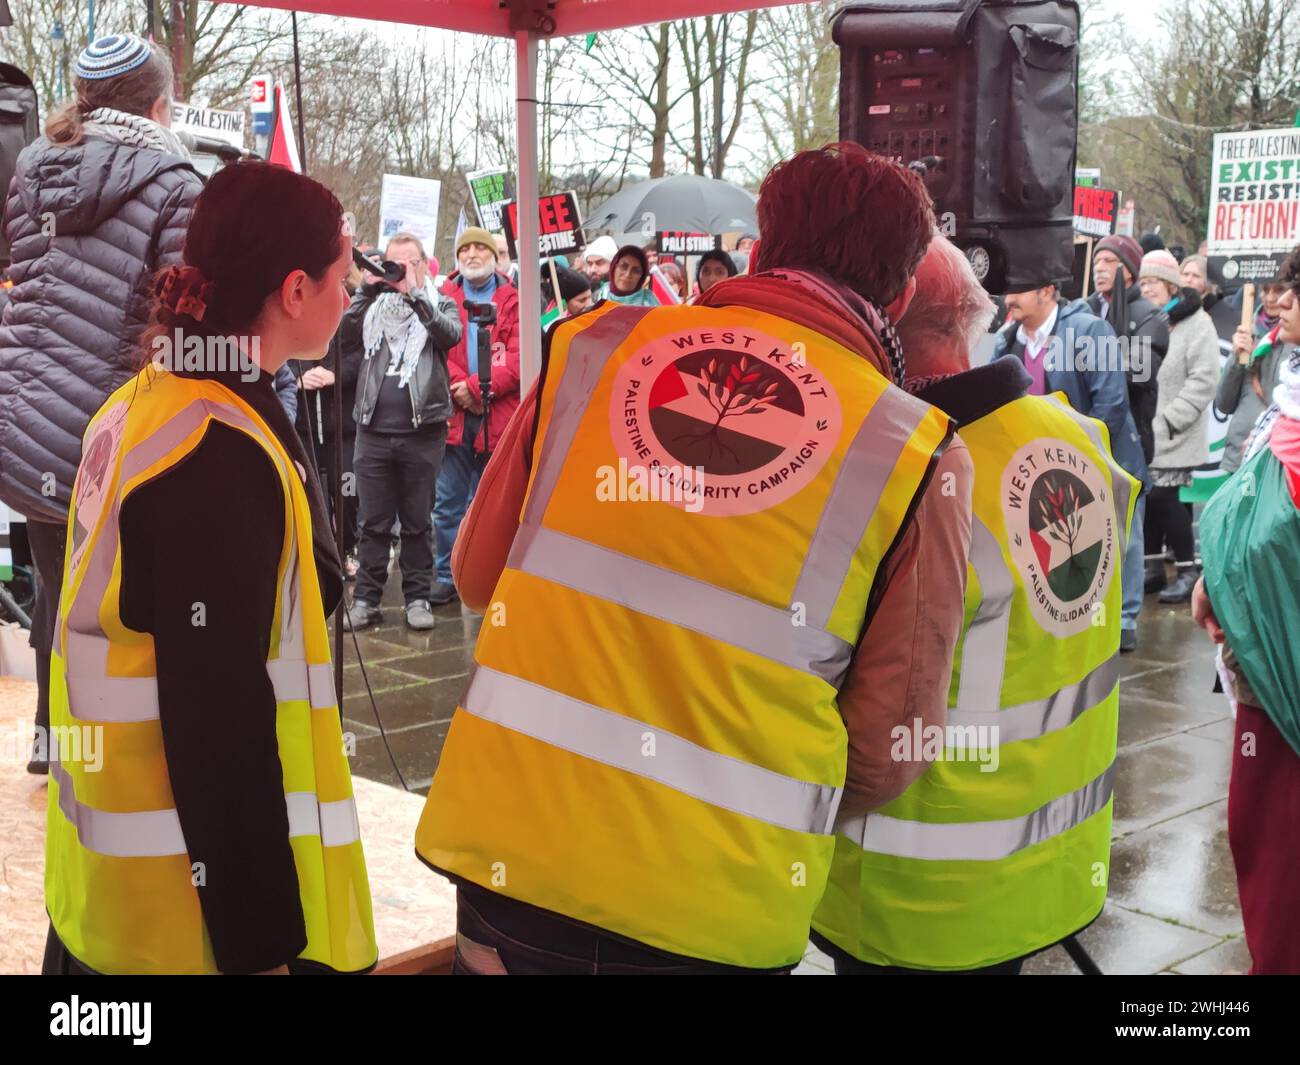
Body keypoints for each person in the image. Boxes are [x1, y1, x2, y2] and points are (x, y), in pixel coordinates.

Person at [415, 142, 973, 975]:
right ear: (897, 294)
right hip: (720, 902)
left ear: (756, 251)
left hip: (515, 855)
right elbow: (890, 747)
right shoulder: (917, 451)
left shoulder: (590, 347)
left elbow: (474, 575)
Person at [41, 161, 378, 976]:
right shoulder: (214, 451)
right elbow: (219, 719)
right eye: (345, 271)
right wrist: (259, 944)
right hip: (185, 930)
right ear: (294, 291)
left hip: (110, 907)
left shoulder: (147, 401)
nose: (353, 289)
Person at [814, 234, 1136, 975]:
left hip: (913, 899)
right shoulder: (1079, 437)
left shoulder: (897, 471)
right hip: (1047, 868)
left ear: (881, 323)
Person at [0, 34, 201, 775]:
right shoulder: (177, 180)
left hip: (25, 415)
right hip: (115, 426)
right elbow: (185, 315)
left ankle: (54, 746)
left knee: (60, 585)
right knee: (118, 603)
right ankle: (106, 761)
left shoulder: (30, 165)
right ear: (158, 103)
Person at [1193, 242, 1300, 975]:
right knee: (1258, 837)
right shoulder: (1281, 382)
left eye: (1296, 289)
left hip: (1280, 677)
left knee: (1279, 844)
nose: (1280, 300)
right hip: (1260, 665)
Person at [992, 278, 1148, 650]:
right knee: (1068, 546)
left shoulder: (1089, 331)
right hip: (1042, 468)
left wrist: (1078, 459)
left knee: (1120, 539)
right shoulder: (1007, 341)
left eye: (1018, 290)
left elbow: (1110, 404)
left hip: (1101, 457)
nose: (1007, 298)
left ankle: (1124, 620)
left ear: (1046, 290)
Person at [342, 232, 462, 631]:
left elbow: (450, 335)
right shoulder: (372, 306)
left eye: (408, 263)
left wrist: (414, 294)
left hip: (422, 432)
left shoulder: (439, 300)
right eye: (392, 262)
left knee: (416, 522)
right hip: (372, 429)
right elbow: (341, 338)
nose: (398, 269)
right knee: (372, 523)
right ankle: (365, 599)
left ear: (423, 264)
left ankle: (417, 598)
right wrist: (365, 290)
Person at [431, 227, 521, 606]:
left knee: (493, 504)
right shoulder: (441, 298)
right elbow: (436, 350)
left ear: (492, 255)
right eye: (463, 248)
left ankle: (491, 573)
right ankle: (446, 574)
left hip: (496, 416)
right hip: (454, 414)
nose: (470, 254)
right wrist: (463, 389)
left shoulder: (513, 299)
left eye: (478, 248)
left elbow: (517, 354)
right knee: (447, 502)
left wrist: (483, 388)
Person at [1087, 234, 1168, 648]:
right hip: (1087, 436)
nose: (1099, 267)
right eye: (1097, 259)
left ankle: (1126, 618)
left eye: (1109, 260)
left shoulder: (1149, 314)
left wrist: (1107, 341)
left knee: (1127, 533)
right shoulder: (1084, 311)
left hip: (1128, 438)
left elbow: (1140, 372)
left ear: (1129, 270)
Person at [1137, 250, 1220, 602]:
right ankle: (1153, 567)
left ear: (1170, 285)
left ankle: (1187, 570)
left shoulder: (1198, 323)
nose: (1146, 288)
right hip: (1148, 430)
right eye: (1141, 282)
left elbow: (1204, 380)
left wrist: (1170, 420)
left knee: (1165, 499)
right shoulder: (1148, 320)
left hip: (1175, 431)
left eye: (1152, 282)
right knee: (1151, 500)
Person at [1216, 267, 1297, 475]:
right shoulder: (1248, 330)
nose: (1271, 298)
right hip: (1239, 453)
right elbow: (1224, 403)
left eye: (1278, 290)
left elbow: (1284, 405)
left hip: (1274, 454)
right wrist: (1238, 358)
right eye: (1265, 290)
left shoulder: (1293, 340)